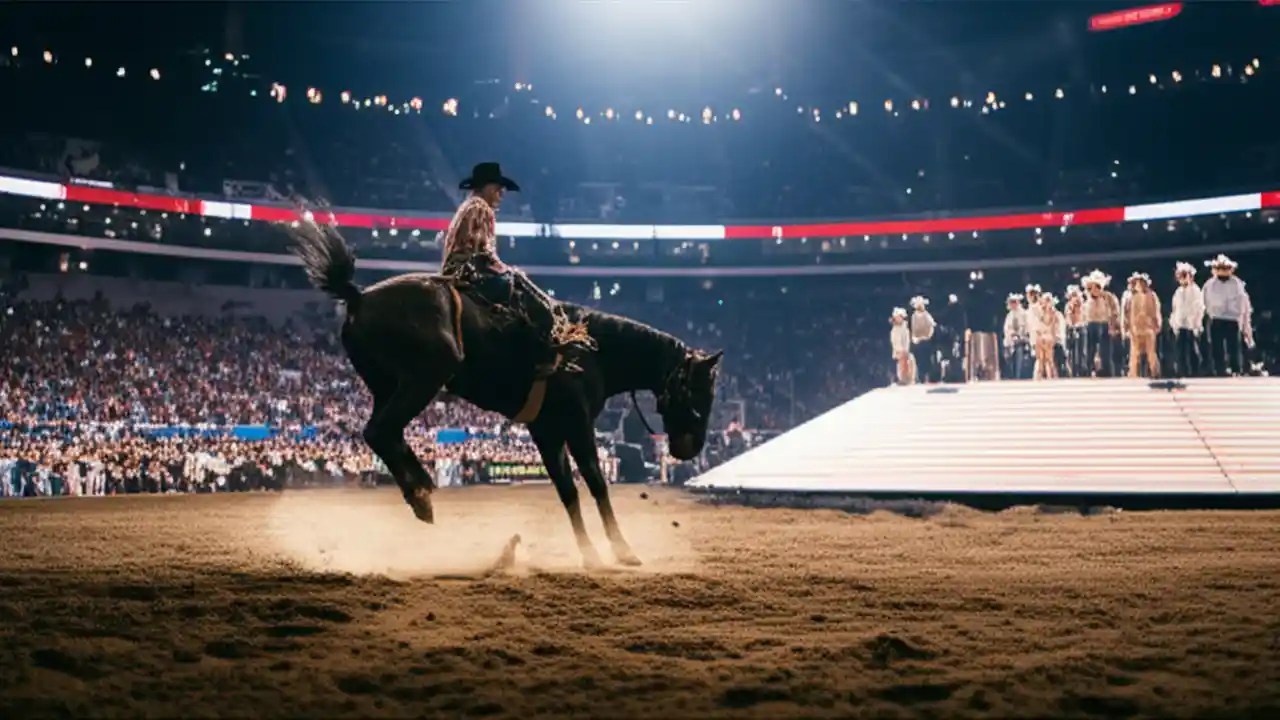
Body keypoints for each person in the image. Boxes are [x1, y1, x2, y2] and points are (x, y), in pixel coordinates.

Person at [440, 162, 594, 377]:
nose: (501, 193)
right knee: (522, 289)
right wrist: (508, 271)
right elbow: (483, 254)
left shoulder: (468, 206)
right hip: (468, 274)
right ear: (485, 187)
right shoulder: (481, 208)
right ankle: (543, 352)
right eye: (497, 188)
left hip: (458, 271)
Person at [1201, 254, 1253, 377]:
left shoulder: (1236, 283)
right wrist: (1209, 313)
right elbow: (1204, 300)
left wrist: (1241, 318)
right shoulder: (1210, 284)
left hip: (1231, 319)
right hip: (1216, 318)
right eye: (1220, 268)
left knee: (1233, 346)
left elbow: (1242, 301)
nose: (1223, 271)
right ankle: (1219, 369)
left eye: (1225, 268)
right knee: (1216, 346)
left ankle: (1236, 369)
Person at [1082, 270, 1121, 377]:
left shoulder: (1108, 297)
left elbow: (1115, 311)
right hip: (1090, 324)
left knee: (1105, 351)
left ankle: (1107, 371)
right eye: (1091, 287)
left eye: (1096, 286)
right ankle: (1088, 371)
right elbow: (1084, 312)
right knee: (1090, 349)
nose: (1093, 289)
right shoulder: (1087, 298)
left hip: (1104, 324)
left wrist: (1114, 325)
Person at [1169, 262, 1205, 377]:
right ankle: (1182, 371)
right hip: (1181, 325)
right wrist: (1174, 323)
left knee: (1193, 350)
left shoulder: (1195, 290)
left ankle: (1195, 372)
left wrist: (1196, 324)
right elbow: (1175, 308)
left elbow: (1199, 308)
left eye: (1185, 276)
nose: (1182, 279)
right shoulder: (1178, 292)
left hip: (1192, 325)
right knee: (1180, 350)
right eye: (1180, 276)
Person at [1124, 273, 1161, 378]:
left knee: (1150, 352)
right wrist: (1129, 327)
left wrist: (1156, 323)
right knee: (1134, 353)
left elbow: (1155, 311)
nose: (1138, 285)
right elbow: (1129, 313)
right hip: (1136, 328)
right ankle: (1133, 373)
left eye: (1141, 283)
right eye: (1137, 283)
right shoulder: (1133, 297)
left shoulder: (1152, 296)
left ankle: (1154, 371)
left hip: (1148, 328)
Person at [1033, 293, 1062, 380]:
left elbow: (1055, 327)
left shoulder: (1054, 314)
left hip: (1049, 337)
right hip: (1041, 336)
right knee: (1040, 358)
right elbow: (1037, 326)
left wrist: (1054, 337)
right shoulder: (1039, 312)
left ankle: (1051, 376)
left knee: (1049, 359)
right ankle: (1038, 376)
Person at [908, 296, 936, 383]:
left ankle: (927, 377)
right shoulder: (914, 316)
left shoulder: (926, 315)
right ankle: (920, 377)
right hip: (917, 341)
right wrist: (914, 338)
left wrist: (928, 336)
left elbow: (932, 326)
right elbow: (913, 328)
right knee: (918, 360)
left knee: (926, 359)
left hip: (926, 341)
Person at [1002, 293, 1029, 380]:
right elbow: (1006, 328)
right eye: (1011, 302)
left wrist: (1019, 335)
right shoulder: (1009, 315)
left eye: (1014, 302)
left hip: (1021, 341)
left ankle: (1018, 375)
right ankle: (1012, 375)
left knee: (1019, 359)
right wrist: (1011, 334)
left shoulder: (1023, 313)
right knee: (1010, 360)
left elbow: (1025, 326)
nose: (1012, 304)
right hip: (1010, 341)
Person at [889, 307, 913, 385]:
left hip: (904, 349)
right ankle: (901, 378)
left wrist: (905, 349)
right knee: (900, 364)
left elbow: (906, 340)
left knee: (906, 363)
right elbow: (894, 340)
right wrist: (898, 349)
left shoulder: (904, 328)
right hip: (898, 349)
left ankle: (906, 378)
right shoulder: (895, 329)